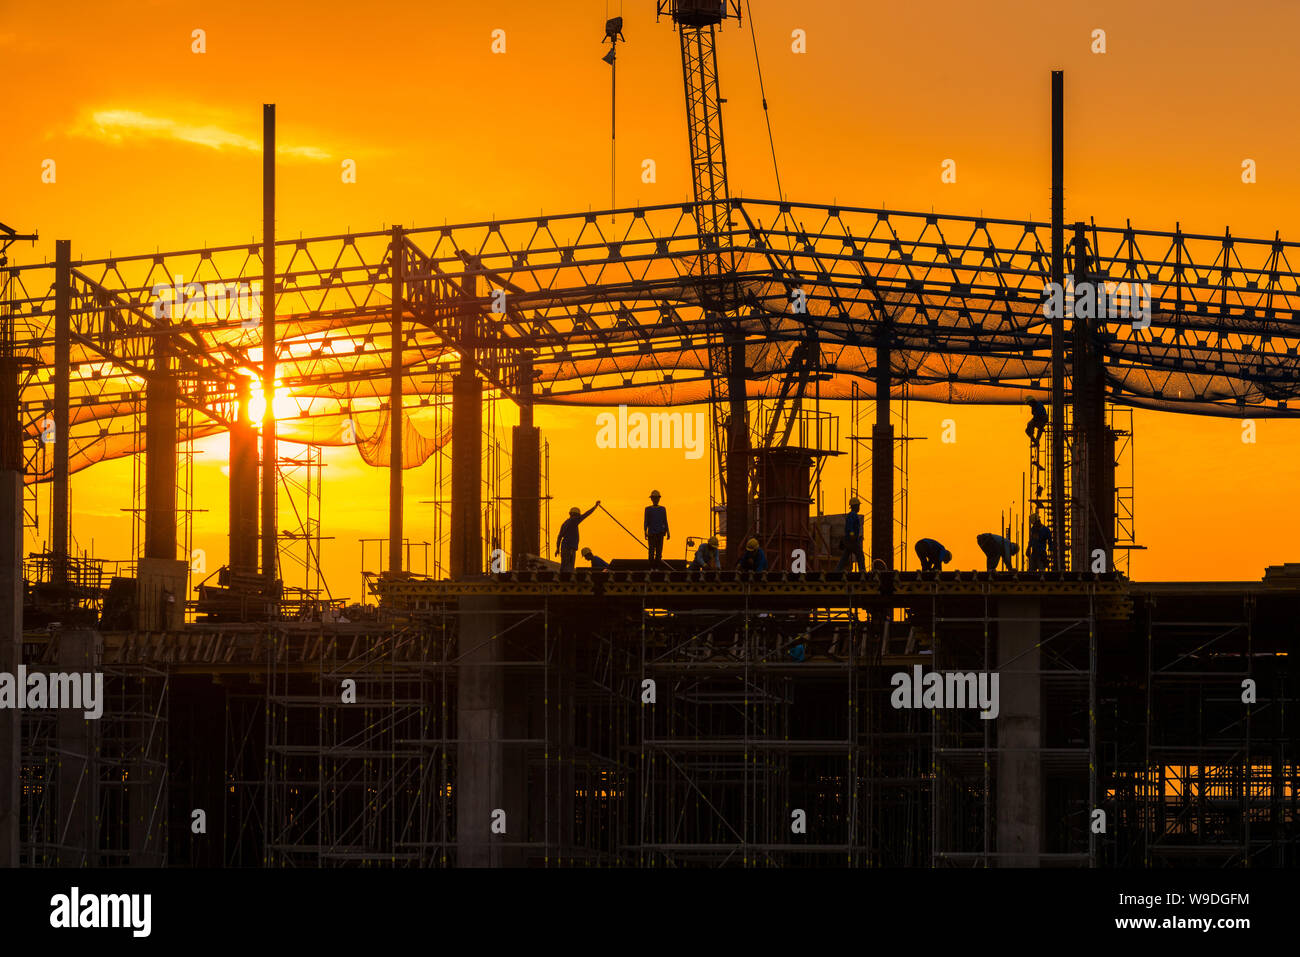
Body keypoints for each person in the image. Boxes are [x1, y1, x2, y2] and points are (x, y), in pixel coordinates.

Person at [556, 502, 600, 571]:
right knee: (569, 567)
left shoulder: (565, 523)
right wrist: (595, 506)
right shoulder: (574, 520)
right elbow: (586, 514)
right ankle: (567, 580)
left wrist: (557, 548)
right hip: (570, 548)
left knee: (564, 565)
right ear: (576, 515)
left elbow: (559, 537)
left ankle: (563, 578)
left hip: (564, 548)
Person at [835, 497, 865, 573]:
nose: (859, 507)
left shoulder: (852, 515)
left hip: (850, 540)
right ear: (854, 506)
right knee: (860, 555)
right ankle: (862, 570)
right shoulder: (852, 515)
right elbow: (850, 527)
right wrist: (852, 535)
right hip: (852, 540)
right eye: (858, 506)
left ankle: (837, 570)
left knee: (845, 556)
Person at [644, 490, 670, 562]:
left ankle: (657, 568)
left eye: (657, 498)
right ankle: (651, 567)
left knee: (659, 552)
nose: (655, 500)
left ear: (659, 499)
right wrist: (645, 531)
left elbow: (665, 520)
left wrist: (668, 531)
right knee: (651, 551)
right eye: (654, 498)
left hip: (660, 533)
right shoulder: (648, 509)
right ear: (652, 499)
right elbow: (646, 521)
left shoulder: (662, 509)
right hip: (651, 533)